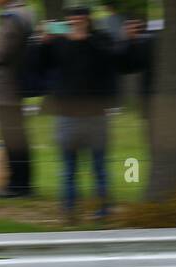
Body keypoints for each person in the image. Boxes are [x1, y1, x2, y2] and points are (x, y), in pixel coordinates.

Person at [35, 6, 139, 221]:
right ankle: (69, 211)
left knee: (99, 168)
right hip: (67, 116)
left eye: (80, 20)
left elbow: (117, 61)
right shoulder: (59, 42)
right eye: (72, 20)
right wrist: (43, 43)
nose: (76, 23)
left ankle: (103, 210)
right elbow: (39, 65)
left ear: (88, 21)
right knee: (68, 170)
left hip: (96, 115)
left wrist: (87, 38)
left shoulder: (99, 40)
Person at [0, 0, 36, 198]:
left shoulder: (10, 17)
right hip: (16, 82)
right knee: (17, 135)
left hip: (7, 86)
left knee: (12, 137)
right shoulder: (25, 12)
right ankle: (21, 183)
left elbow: (0, 54)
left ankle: (18, 185)